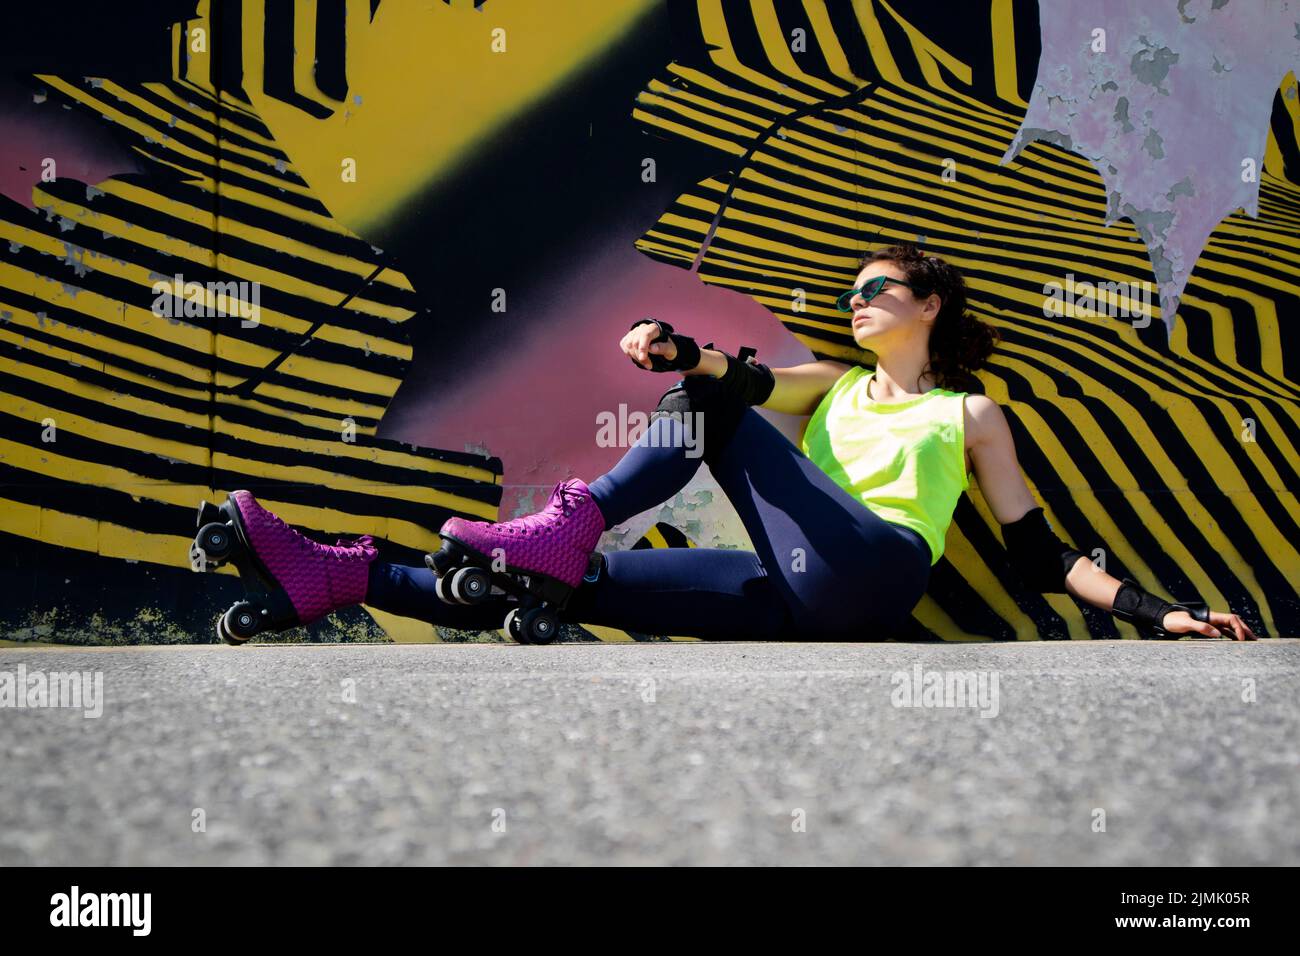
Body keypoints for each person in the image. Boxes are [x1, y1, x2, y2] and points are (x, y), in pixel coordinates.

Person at [201, 244, 1257, 643]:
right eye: (846, 294)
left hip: (878, 567)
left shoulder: (969, 413)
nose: (853, 303)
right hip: (801, 591)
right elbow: (744, 377)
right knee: (552, 583)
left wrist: (1159, 608)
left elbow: (1036, 553)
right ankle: (333, 573)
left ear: (928, 303)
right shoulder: (834, 384)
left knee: (710, 405)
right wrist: (674, 349)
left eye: (873, 291)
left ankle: (565, 521)